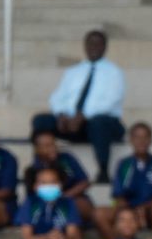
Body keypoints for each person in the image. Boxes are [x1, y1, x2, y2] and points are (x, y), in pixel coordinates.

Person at [31, 30, 125, 184]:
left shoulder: (114, 73)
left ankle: (103, 170)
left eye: (97, 43)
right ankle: (40, 164)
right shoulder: (73, 71)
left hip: (102, 124)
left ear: (105, 47)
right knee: (40, 121)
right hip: (71, 124)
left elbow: (110, 102)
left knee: (99, 122)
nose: (93, 47)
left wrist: (82, 116)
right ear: (84, 46)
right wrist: (61, 115)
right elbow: (57, 97)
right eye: (90, 43)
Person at [99, 121, 152, 239]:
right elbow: (118, 195)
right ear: (131, 140)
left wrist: (143, 209)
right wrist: (132, 213)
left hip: (151, 211)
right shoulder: (124, 164)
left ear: (151, 140)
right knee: (99, 214)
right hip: (128, 208)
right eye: (137, 137)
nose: (141, 141)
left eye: (145, 137)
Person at [22, 128, 95, 230]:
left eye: (53, 144)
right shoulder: (33, 169)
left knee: (80, 206)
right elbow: (32, 197)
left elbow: (84, 182)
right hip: (47, 206)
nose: (52, 148)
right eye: (47, 146)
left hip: (72, 198)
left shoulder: (67, 158)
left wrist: (65, 196)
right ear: (37, 149)